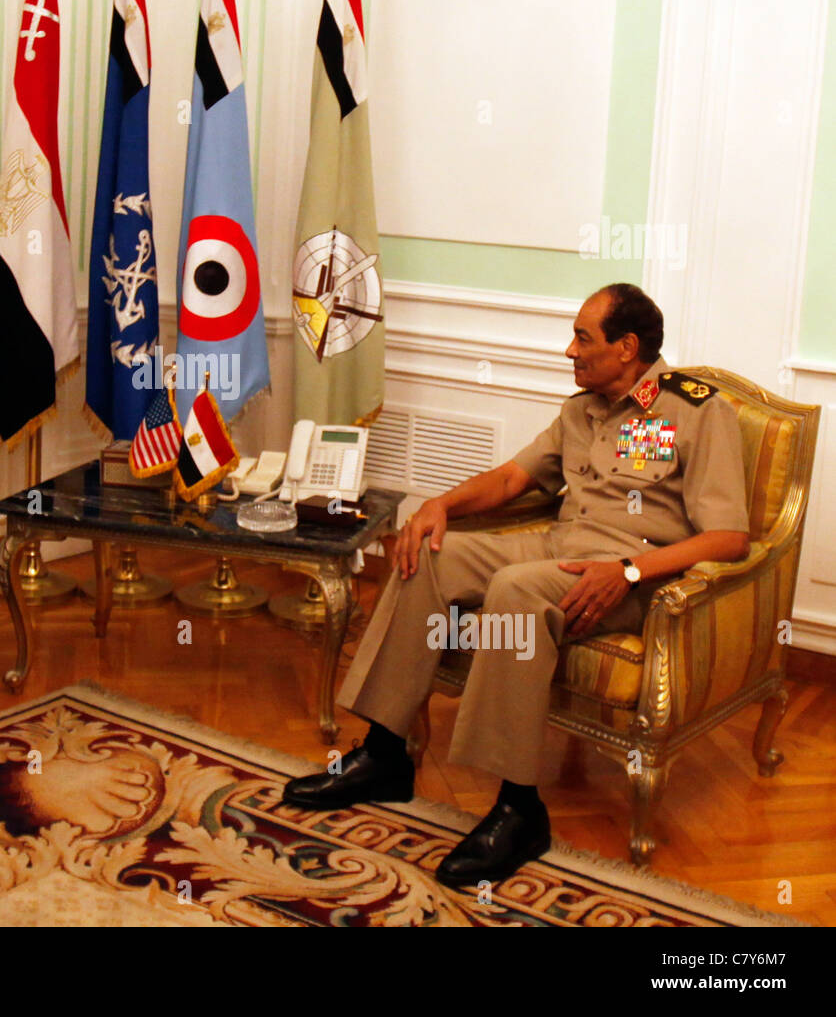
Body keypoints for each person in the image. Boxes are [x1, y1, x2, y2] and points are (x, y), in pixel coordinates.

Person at [283, 284, 751, 886]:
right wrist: (440, 507)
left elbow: (729, 538)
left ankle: (519, 808)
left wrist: (630, 571)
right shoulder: (581, 410)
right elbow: (510, 480)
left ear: (627, 347)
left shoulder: (696, 411)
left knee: (515, 591)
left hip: (625, 577)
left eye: (583, 338)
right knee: (431, 554)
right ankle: (384, 754)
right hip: (556, 545)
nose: (568, 351)